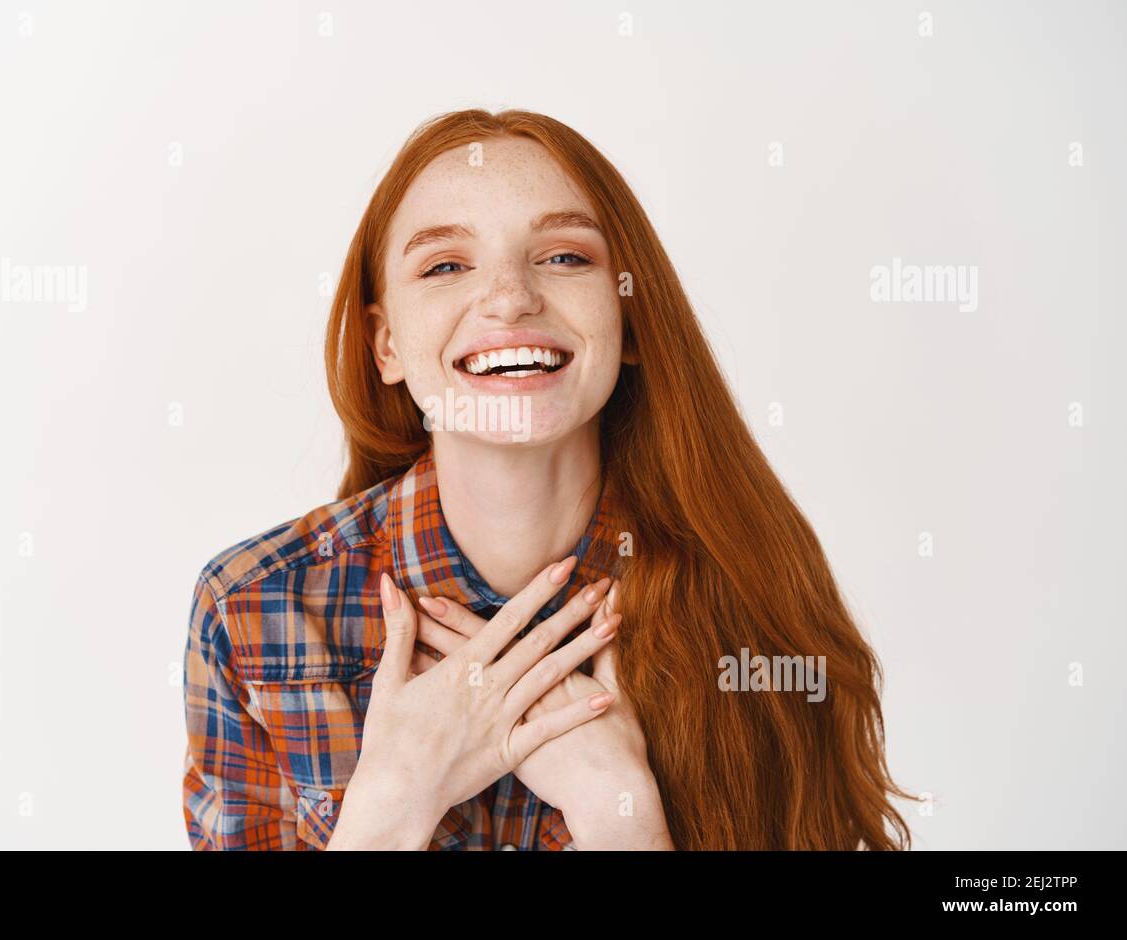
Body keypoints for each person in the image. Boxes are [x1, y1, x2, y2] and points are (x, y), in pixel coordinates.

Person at [182, 108, 914, 850]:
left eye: (565, 257)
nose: (510, 297)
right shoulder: (253, 608)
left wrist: (620, 809)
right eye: (445, 266)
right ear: (387, 345)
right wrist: (393, 803)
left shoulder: (757, 596)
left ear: (630, 319)